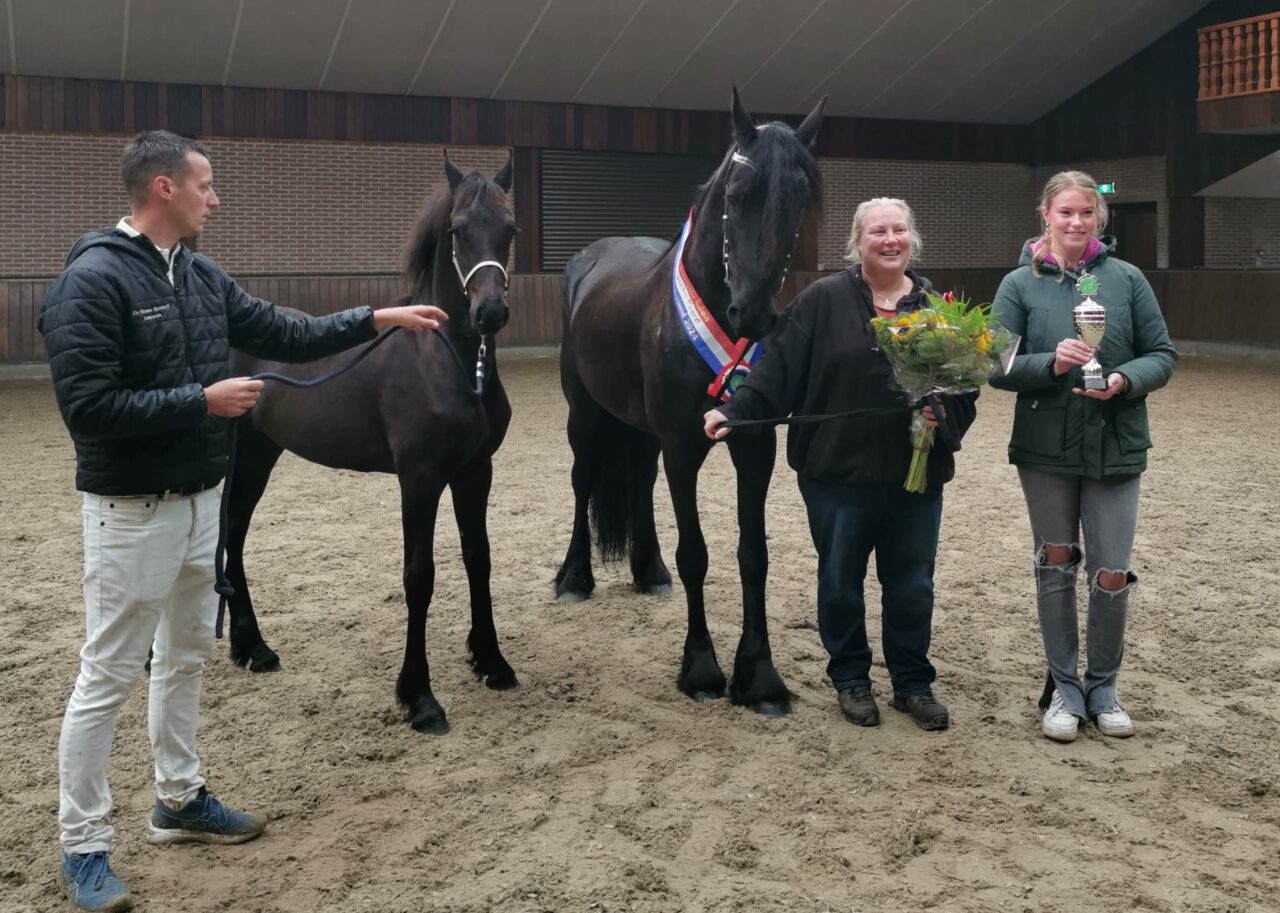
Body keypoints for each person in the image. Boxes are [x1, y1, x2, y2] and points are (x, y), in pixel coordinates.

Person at [37, 130, 447, 912]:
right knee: (108, 674)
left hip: (199, 504)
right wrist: (201, 401)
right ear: (164, 188)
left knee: (185, 655)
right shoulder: (92, 280)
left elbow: (286, 331)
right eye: (205, 185)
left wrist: (379, 317)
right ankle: (83, 844)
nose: (215, 198)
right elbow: (87, 408)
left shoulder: (198, 275)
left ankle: (179, 798)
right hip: (131, 510)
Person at [703, 198, 976, 732]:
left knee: (912, 585)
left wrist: (942, 412)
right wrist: (736, 411)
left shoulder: (937, 307)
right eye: (878, 232)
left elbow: (964, 388)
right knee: (840, 582)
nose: (891, 240)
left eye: (899, 230)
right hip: (836, 475)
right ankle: (851, 680)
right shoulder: (822, 300)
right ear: (857, 242)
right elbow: (777, 368)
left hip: (916, 474)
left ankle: (912, 684)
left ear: (912, 239)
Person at [990, 170, 1176, 744]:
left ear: (1099, 217)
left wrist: (1123, 379)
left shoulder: (1127, 279)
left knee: (1111, 572)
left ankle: (1104, 688)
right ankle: (1065, 692)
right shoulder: (1018, 284)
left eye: (1086, 213)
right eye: (1065, 212)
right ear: (1046, 216)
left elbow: (1162, 354)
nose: (1076, 222)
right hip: (1045, 447)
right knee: (1055, 562)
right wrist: (1051, 363)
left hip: (1116, 444)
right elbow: (996, 365)